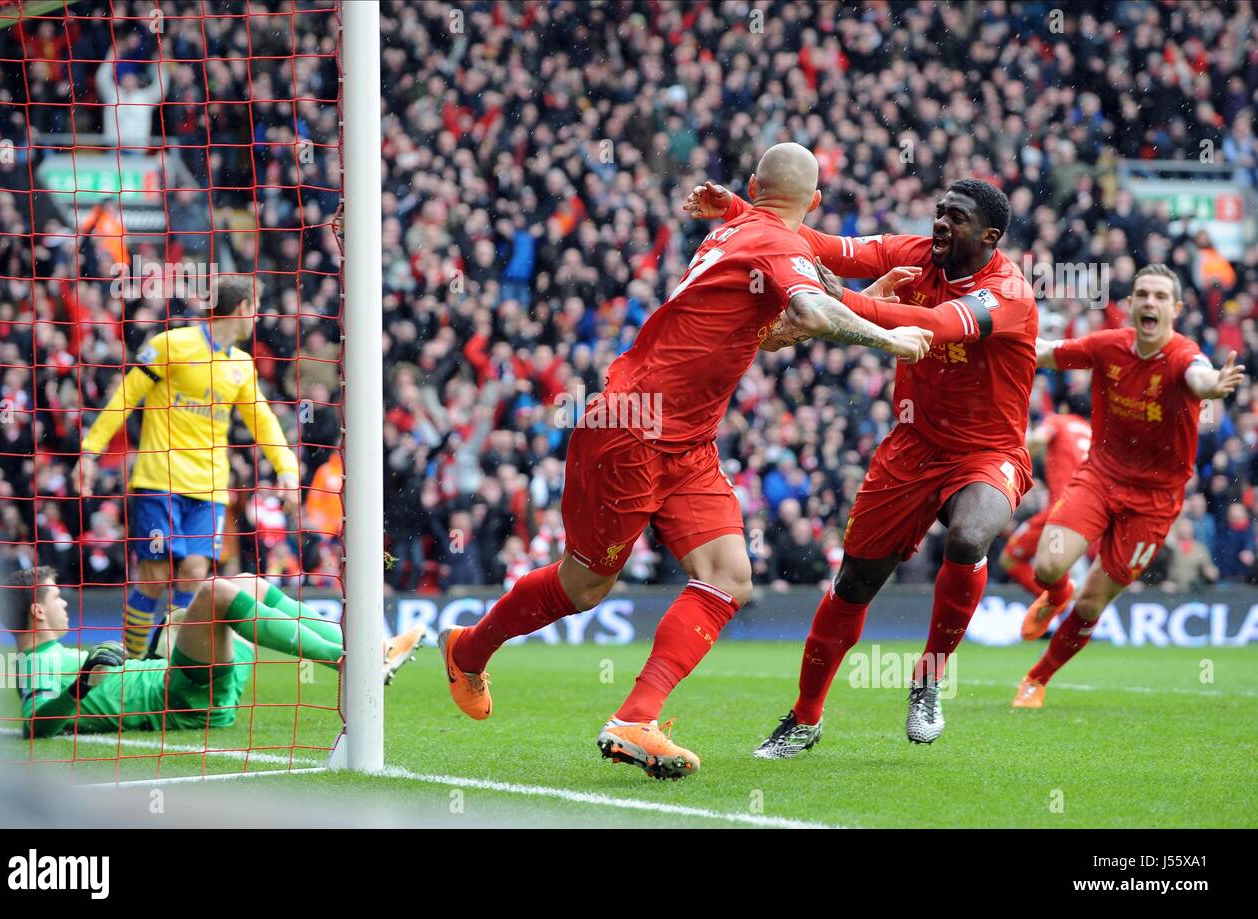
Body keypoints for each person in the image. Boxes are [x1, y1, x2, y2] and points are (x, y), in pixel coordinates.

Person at [437, 143, 932, 779]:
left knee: (728, 576)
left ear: (755, 187)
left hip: (687, 441)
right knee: (586, 585)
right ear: (813, 203)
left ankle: (634, 719)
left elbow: (780, 328)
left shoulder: (741, 230)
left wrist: (870, 300)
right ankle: (469, 650)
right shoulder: (777, 246)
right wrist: (887, 334)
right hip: (633, 429)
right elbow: (809, 308)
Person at [687, 177, 1039, 751]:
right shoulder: (914, 256)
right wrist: (738, 208)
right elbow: (824, 245)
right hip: (909, 448)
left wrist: (838, 302)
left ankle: (928, 679)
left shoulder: (1009, 294)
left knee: (971, 536)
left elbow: (936, 326)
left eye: (958, 217)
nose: (942, 224)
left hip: (986, 452)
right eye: (940, 211)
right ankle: (804, 718)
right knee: (853, 584)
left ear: (990, 236)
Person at [1013, 265, 1246, 708]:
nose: (1150, 303)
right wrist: (990, 332)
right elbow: (1044, 352)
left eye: (1160, 296)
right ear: (1131, 304)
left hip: (1155, 502)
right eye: (1143, 294)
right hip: (1100, 478)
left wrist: (1213, 385)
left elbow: (1198, 374)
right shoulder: (1108, 346)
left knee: (1091, 602)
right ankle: (1053, 594)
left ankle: (1037, 679)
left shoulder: (1183, 356)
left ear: (1175, 309)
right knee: (1046, 566)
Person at [76, 275, 300, 659]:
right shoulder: (172, 344)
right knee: (156, 575)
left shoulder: (241, 366)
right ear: (243, 309)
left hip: (209, 489)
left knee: (195, 575)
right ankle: (130, 663)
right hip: (159, 480)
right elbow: (126, 396)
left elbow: (262, 420)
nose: (258, 317)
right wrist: (89, 452)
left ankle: (165, 661)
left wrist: (287, 470)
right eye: (256, 308)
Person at [3, 565, 425, 738]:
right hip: (183, 699)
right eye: (57, 597)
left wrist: (155, 650)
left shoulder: (54, 653)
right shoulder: (37, 662)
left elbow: (111, 685)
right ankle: (350, 660)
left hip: (179, 681)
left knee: (248, 584)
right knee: (215, 592)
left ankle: (369, 647)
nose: (64, 603)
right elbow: (33, 726)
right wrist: (81, 687)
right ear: (37, 610)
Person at [998, 410, 1092, 596]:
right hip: (1092, 511)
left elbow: (1038, 439)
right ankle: (1069, 608)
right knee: (1065, 569)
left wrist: (1018, 466)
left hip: (1063, 509)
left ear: (1064, 407)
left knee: (1010, 558)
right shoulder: (1090, 431)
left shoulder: (1057, 420)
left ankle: (1056, 601)